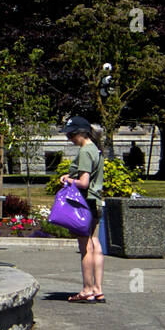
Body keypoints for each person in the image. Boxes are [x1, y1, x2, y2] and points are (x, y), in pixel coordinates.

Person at [61, 116, 104, 303]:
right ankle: (98, 289)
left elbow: (83, 183)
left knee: (85, 247)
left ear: (81, 133)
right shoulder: (96, 149)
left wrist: (67, 179)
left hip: (84, 203)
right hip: (96, 202)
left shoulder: (86, 152)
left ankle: (87, 290)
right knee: (95, 244)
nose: (69, 138)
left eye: (71, 135)